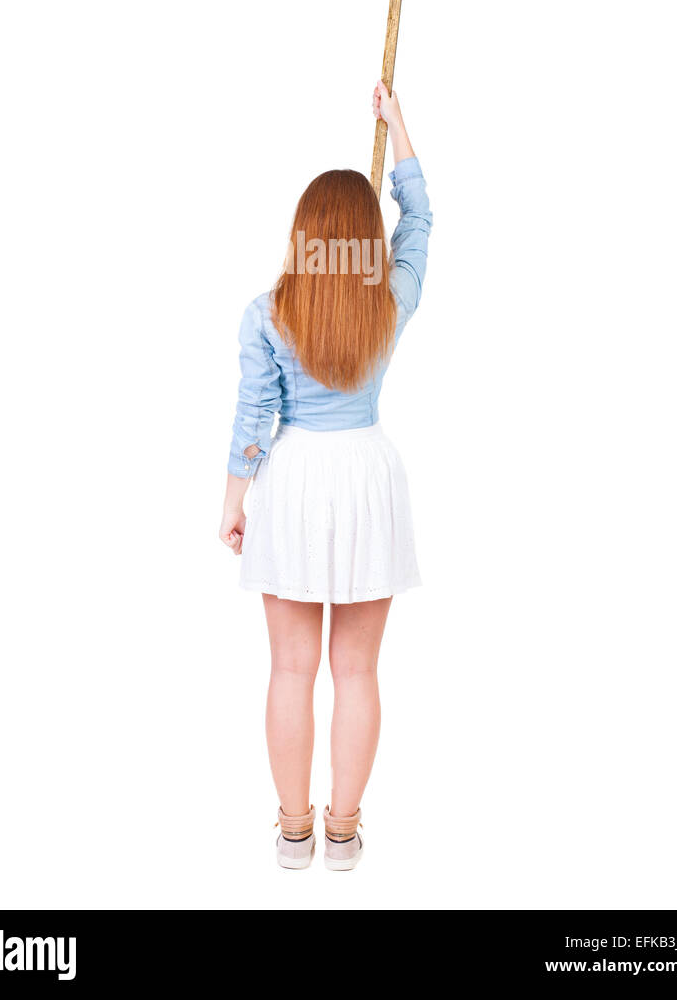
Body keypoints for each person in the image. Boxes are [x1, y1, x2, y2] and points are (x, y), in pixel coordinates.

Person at [219, 81, 432, 870]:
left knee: (291, 668)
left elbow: (252, 420)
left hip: (295, 480)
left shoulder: (266, 312)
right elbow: (424, 222)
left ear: (304, 235)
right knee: (355, 669)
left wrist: (234, 503)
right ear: (366, 241)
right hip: (367, 477)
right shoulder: (392, 299)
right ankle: (343, 831)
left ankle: (293, 829)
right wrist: (399, 126)